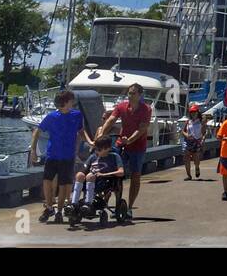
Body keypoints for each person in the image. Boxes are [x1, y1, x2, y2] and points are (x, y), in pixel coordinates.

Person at [29, 90, 91, 223]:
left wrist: (90, 141)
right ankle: (50, 206)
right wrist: (33, 150)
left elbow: (81, 131)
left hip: (67, 156)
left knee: (64, 184)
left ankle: (59, 211)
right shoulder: (52, 116)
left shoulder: (77, 115)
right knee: (47, 181)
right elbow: (37, 132)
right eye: (71, 100)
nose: (73, 102)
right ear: (65, 102)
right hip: (52, 154)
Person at [97, 82, 152, 218]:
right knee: (114, 173)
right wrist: (102, 134)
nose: (130, 95)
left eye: (133, 93)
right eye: (129, 93)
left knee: (135, 176)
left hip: (138, 147)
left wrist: (131, 140)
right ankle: (112, 203)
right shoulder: (121, 106)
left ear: (140, 95)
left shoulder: (146, 109)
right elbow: (111, 119)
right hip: (121, 144)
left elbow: (142, 128)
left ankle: (130, 207)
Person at [71, 135, 124, 214]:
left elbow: (121, 172)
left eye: (99, 149)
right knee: (79, 174)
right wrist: (81, 173)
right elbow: (85, 169)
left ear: (108, 148)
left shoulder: (114, 157)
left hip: (105, 180)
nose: (97, 151)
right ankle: (74, 203)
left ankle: (88, 203)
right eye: (96, 149)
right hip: (91, 179)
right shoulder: (93, 157)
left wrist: (103, 174)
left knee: (90, 176)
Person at [181, 104, 205, 181]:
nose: (193, 113)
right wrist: (187, 135)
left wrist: (203, 139)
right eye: (191, 112)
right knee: (186, 157)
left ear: (198, 112)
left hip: (197, 141)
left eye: (194, 112)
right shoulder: (188, 122)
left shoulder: (201, 122)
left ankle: (197, 168)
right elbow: (183, 131)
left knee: (196, 159)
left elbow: (204, 133)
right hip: (188, 141)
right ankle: (189, 175)